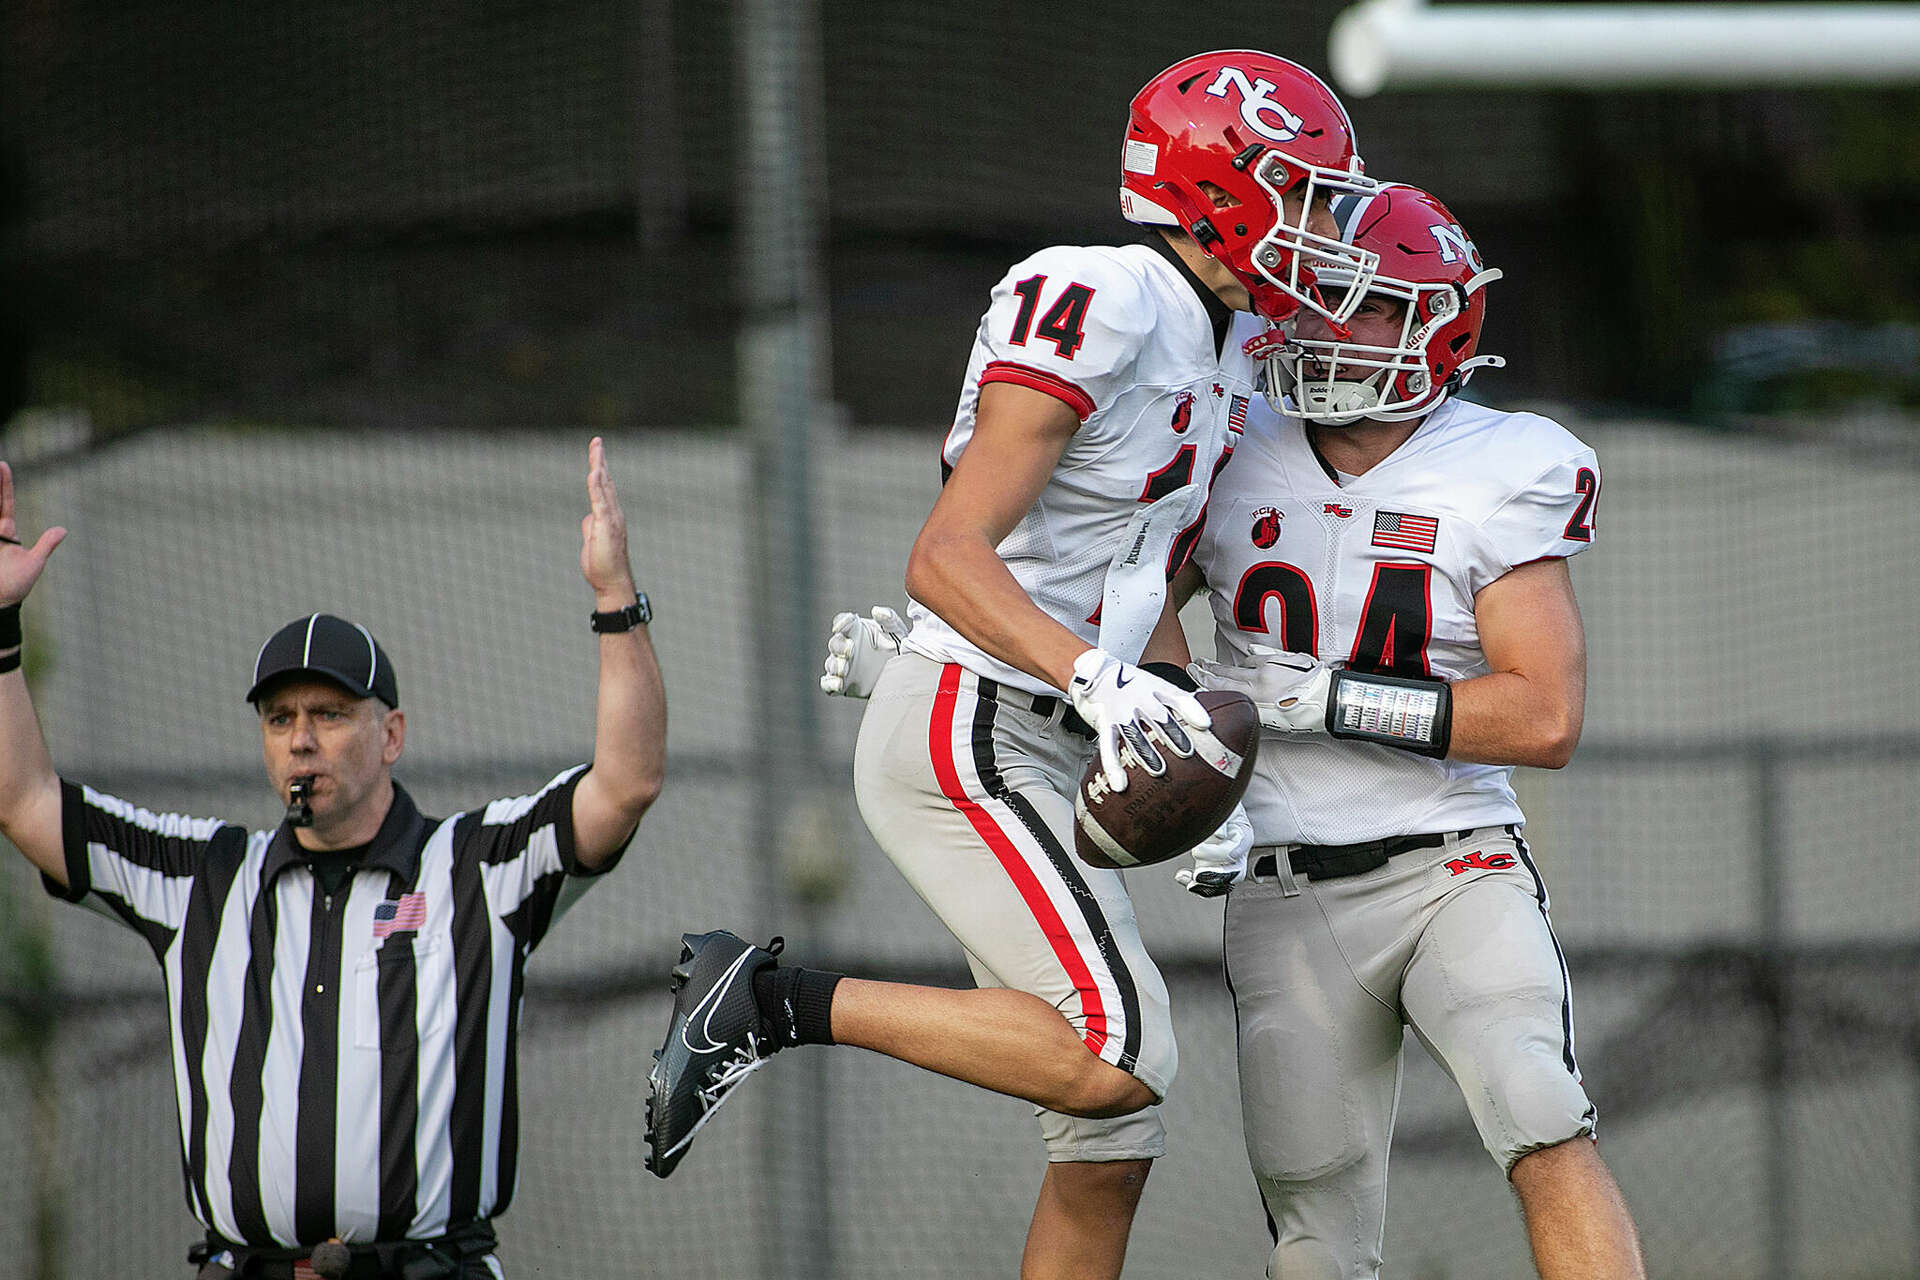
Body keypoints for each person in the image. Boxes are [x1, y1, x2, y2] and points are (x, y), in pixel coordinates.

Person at [643, 50, 1377, 1280]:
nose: (1323, 226)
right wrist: (1086, 678)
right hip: (975, 727)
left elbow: (1133, 579)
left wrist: (1184, 732)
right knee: (1121, 1048)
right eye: (1302, 193)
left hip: (1032, 720)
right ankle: (766, 1000)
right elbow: (944, 552)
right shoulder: (1109, 296)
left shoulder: (1231, 343)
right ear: (1217, 191)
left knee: (1111, 1129)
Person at [0, 439, 666, 1279]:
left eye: (330, 713)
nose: (302, 739)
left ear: (391, 734)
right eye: (280, 719)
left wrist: (615, 597)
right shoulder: (202, 878)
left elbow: (628, 782)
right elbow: (24, 802)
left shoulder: (475, 867)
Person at [1173, 183, 1647, 1279]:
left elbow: (1544, 713)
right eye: (1313, 292)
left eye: (1361, 300)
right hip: (1283, 885)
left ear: (1441, 322)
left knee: (1539, 1107)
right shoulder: (1231, 437)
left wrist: (1326, 698)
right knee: (1316, 1230)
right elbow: (1136, 594)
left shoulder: (1502, 461)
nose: (1322, 319)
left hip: (1451, 864)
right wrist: (1182, 717)